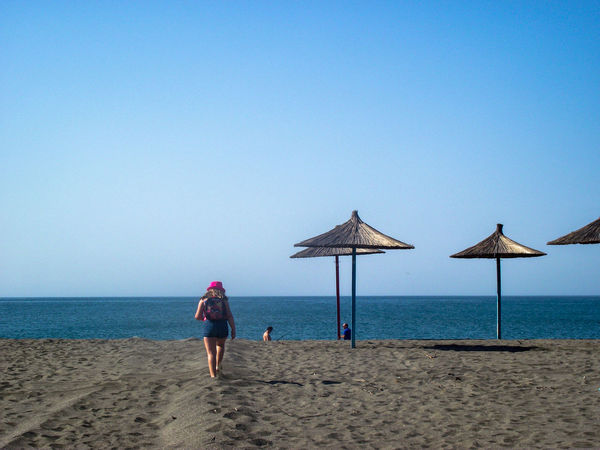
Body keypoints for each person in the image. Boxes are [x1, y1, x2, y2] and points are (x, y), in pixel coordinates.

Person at [195, 281, 236, 378]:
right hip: (222, 325)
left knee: (211, 353)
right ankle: (218, 365)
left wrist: (204, 319)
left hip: (209, 325)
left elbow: (197, 316)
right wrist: (233, 329)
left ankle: (213, 375)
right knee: (220, 345)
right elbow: (229, 316)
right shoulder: (224, 300)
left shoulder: (203, 300)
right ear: (221, 290)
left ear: (210, 289)